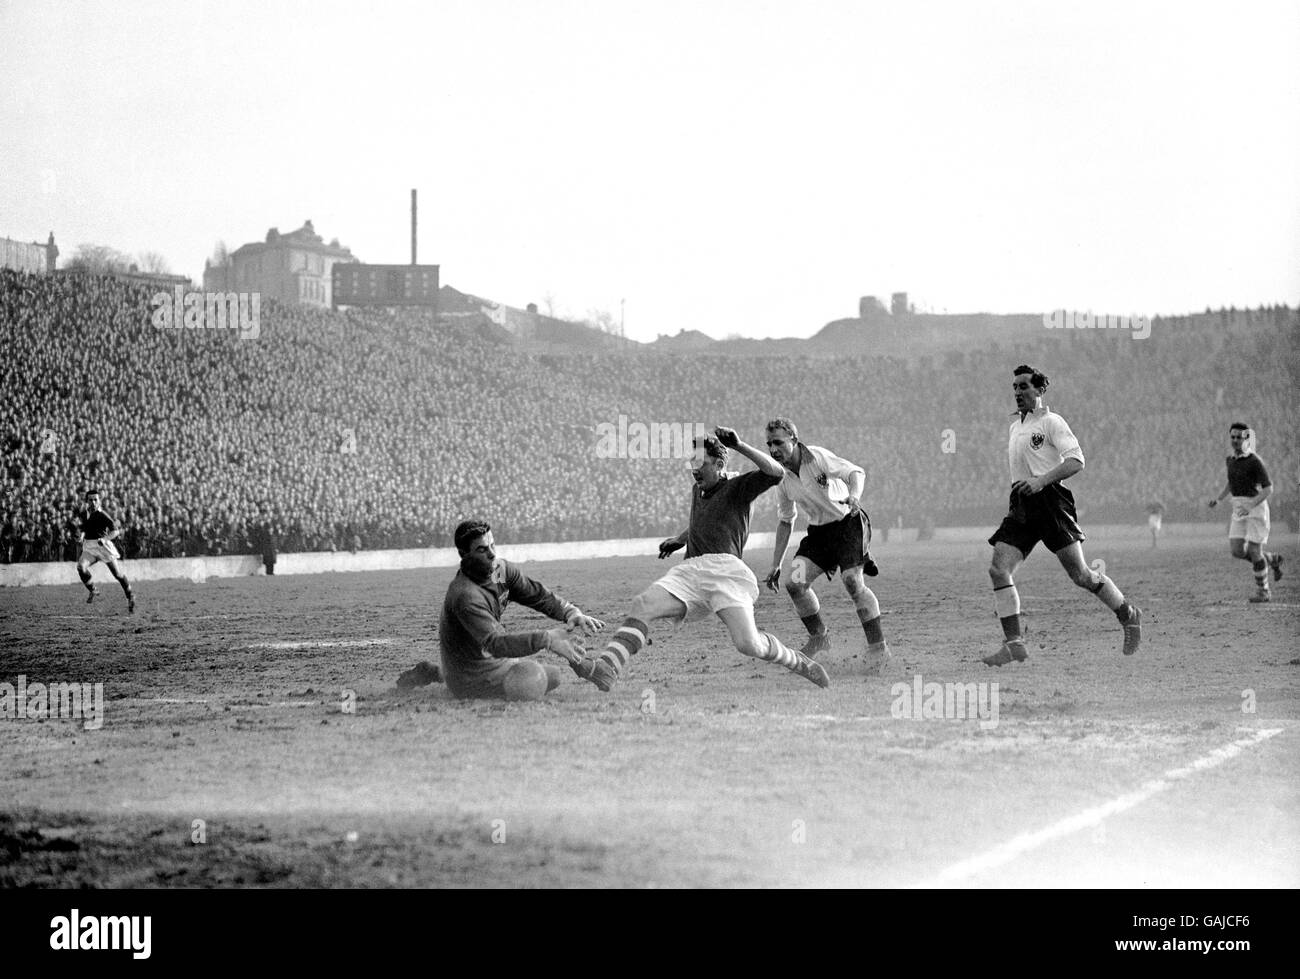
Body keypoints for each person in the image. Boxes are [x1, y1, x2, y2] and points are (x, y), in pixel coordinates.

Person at [580, 428, 829, 691]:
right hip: (690, 571)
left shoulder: (737, 488)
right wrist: (680, 538)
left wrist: (740, 445)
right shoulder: (696, 491)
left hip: (725, 571)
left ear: (720, 465)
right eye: (691, 463)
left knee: (748, 645)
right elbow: (707, 521)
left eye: (700, 463)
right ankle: (607, 667)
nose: (694, 469)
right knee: (643, 604)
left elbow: (776, 473)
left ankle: (799, 662)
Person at [984, 365, 1141, 666]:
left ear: (1040, 390)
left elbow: (1077, 461)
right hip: (1022, 505)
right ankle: (1014, 642)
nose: (1017, 392)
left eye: (1024, 387)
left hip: (1051, 503)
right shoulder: (1014, 426)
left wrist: (1041, 481)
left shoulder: (1053, 422)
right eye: (1015, 387)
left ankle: (1128, 613)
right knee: (998, 569)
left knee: (1080, 575)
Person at [761, 418, 890, 675]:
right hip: (819, 534)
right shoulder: (781, 478)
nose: (773, 449)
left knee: (853, 581)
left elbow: (856, 472)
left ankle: (878, 649)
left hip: (848, 524)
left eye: (778, 442)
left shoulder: (816, 457)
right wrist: (776, 563)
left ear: (794, 440)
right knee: (794, 583)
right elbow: (786, 521)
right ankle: (820, 638)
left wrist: (854, 496)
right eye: (769, 444)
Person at [425, 519, 605, 701]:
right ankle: (446, 676)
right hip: (471, 678)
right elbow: (496, 644)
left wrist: (570, 612)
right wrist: (546, 639)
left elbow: (536, 595)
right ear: (464, 554)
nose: (491, 554)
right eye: (482, 549)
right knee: (534, 680)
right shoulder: (466, 595)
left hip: (491, 661)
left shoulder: (499, 570)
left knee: (552, 675)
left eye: (492, 545)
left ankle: (438, 672)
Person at [1207, 423, 1283, 602]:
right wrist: (1218, 499)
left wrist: (1251, 505)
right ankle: (1272, 559)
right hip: (1239, 507)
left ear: (1246, 439)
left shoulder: (1255, 461)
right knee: (1237, 550)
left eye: (1238, 437)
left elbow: (1268, 489)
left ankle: (1264, 591)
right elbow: (1231, 483)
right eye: (1232, 437)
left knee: (1255, 551)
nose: (1234, 440)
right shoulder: (1230, 460)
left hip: (1256, 507)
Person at [75, 489, 136, 614]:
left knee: (117, 574)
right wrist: (81, 537)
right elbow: (84, 528)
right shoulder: (84, 514)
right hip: (90, 546)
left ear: (99, 501)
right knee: (81, 567)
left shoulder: (103, 515)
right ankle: (93, 589)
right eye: (90, 500)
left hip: (103, 546)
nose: (93, 502)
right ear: (87, 501)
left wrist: (105, 539)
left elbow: (116, 531)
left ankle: (130, 596)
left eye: (95, 500)